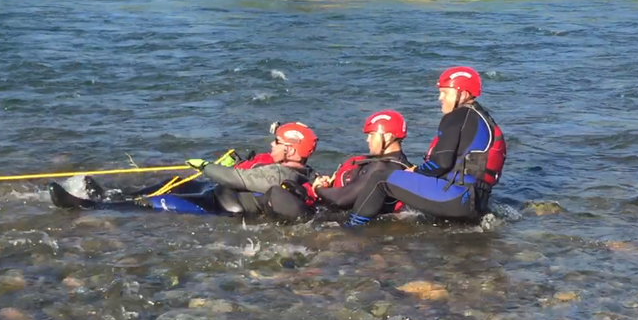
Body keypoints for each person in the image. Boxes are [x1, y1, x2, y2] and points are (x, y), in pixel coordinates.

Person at [344, 66, 506, 227]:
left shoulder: (458, 116)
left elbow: (441, 163)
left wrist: (416, 170)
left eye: (445, 92)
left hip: (457, 198)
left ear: (463, 94)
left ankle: (352, 228)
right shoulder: (483, 118)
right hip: (478, 202)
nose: (439, 98)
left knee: (381, 178)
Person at [181, 121, 319, 219]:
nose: (272, 144)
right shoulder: (307, 174)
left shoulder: (277, 174)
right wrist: (238, 163)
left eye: (277, 141)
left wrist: (205, 166)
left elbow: (234, 178)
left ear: (289, 150)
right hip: (230, 199)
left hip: (222, 203)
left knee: (163, 199)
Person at [311, 110, 412, 213]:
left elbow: (341, 200)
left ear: (387, 136)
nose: (367, 140)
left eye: (372, 135)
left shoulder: (381, 167)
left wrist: (318, 188)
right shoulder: (405, 164)